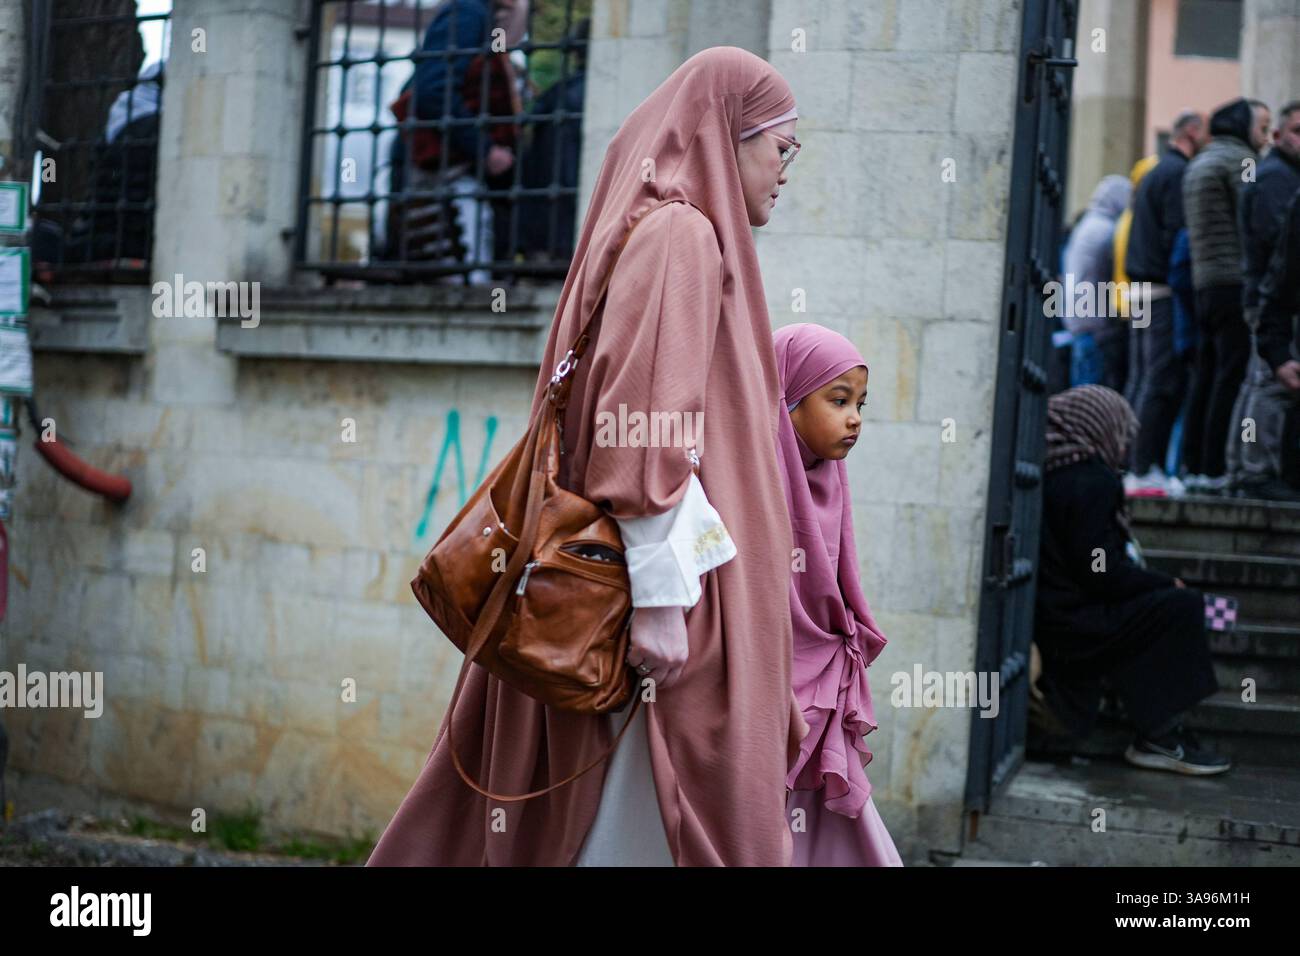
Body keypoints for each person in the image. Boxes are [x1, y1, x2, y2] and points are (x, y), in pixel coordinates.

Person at [367, 46, 806, 866]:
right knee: (657, 811)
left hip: (661, 594)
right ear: (728, 134)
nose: (787, 170)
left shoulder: (660, 225)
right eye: (782, 147)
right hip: (668, 612)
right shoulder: (680, 233)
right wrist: (662, 604)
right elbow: (639, 427)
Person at [1033, 385, 1230, 775]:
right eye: (1121, 433)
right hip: (1073, 623)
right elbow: (1100, 572)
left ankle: (1158, 730)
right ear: (1099, 426)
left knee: (1155, 608)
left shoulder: (1051, 469)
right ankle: (1159, 734)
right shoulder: (1090, 480)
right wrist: (1161, 584)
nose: (1124, 446)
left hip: (1055, 614)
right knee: (1180, 607)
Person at [774, 323, 902, 867]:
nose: (855, 418)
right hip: (764, 687)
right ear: (787, 402)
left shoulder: (828, 479)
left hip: (822, 681)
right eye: (838, 399)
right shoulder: (753, 478)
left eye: (861, 404)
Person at [1180, 98, 1273, 494]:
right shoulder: (1241, 162)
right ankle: (1218, 463)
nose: (1265, 139)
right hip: (1234, 281)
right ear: (1243, 126)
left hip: (1205, 282)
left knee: (1207, 375)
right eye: (1262, 128)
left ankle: (1195, 463)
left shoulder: (1201, 162)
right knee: (1231, 375)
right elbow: (1252, 215)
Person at [1125, 110, 1208, 494]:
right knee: (1160, 380)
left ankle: (1134, 464)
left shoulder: (1156, 172)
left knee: (1144, 379)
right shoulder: (1177, 173)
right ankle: (1144, 467)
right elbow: (1177, 237)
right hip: (1159, 291)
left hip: (1140, 289)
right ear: (1191, 132)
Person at [1228, 102, 1300, 499]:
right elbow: (1277, 245)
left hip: (1265, 293)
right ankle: (1254, 470)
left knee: (1256, 383)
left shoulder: (1279, 175)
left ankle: (1243, 467)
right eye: (1297, 131)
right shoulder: (1277, 178)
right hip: (1268, 296)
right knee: (1267, 382)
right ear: (1277, 137)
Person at [1063, 175, 1131, 390]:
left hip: (1079, 323)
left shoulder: (1087, 226)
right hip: (1096, 326)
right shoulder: (1106, 230)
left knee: (1081, 394)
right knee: (1094, 398)